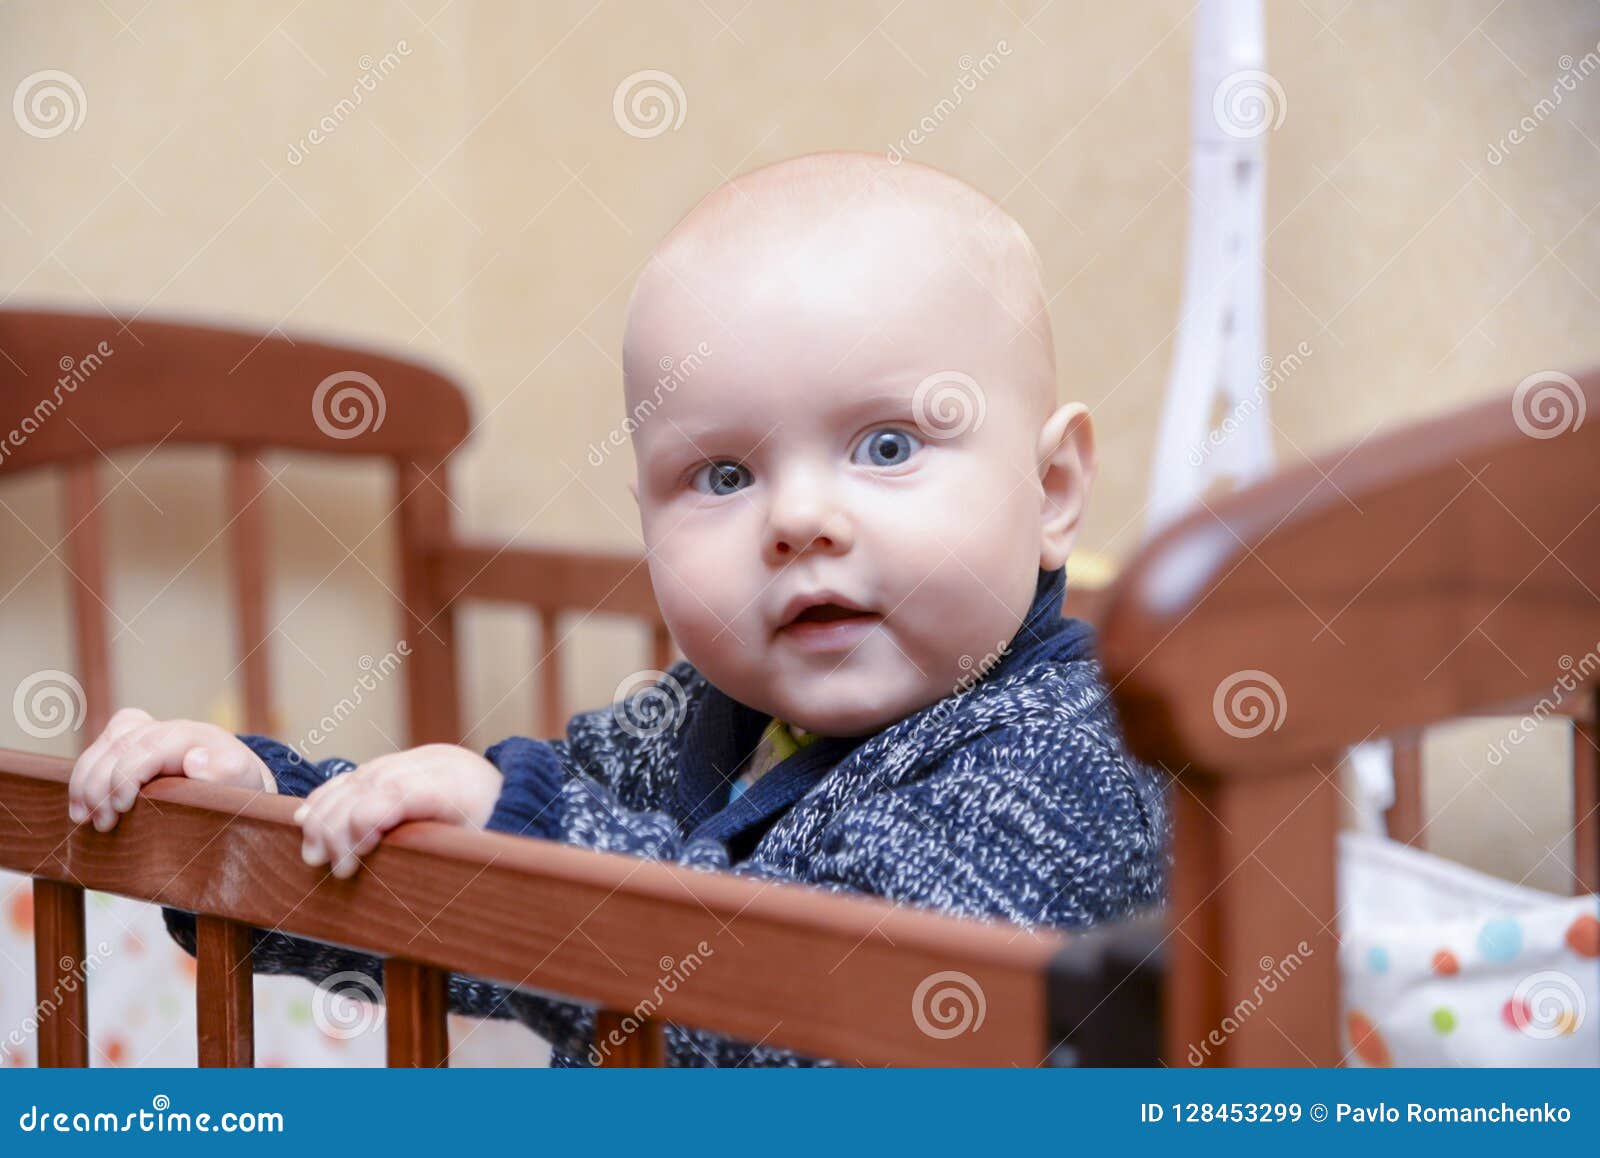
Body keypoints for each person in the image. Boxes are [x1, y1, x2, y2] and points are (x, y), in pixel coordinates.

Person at [67, 151, 1170, 1066]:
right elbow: (462, 915)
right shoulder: (692, 723)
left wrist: (527, 837)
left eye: (887, 446)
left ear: (1054, 492)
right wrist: (263, 813)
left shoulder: (1074, 748)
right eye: (725, 477)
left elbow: (841, 1027)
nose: (799, 520)